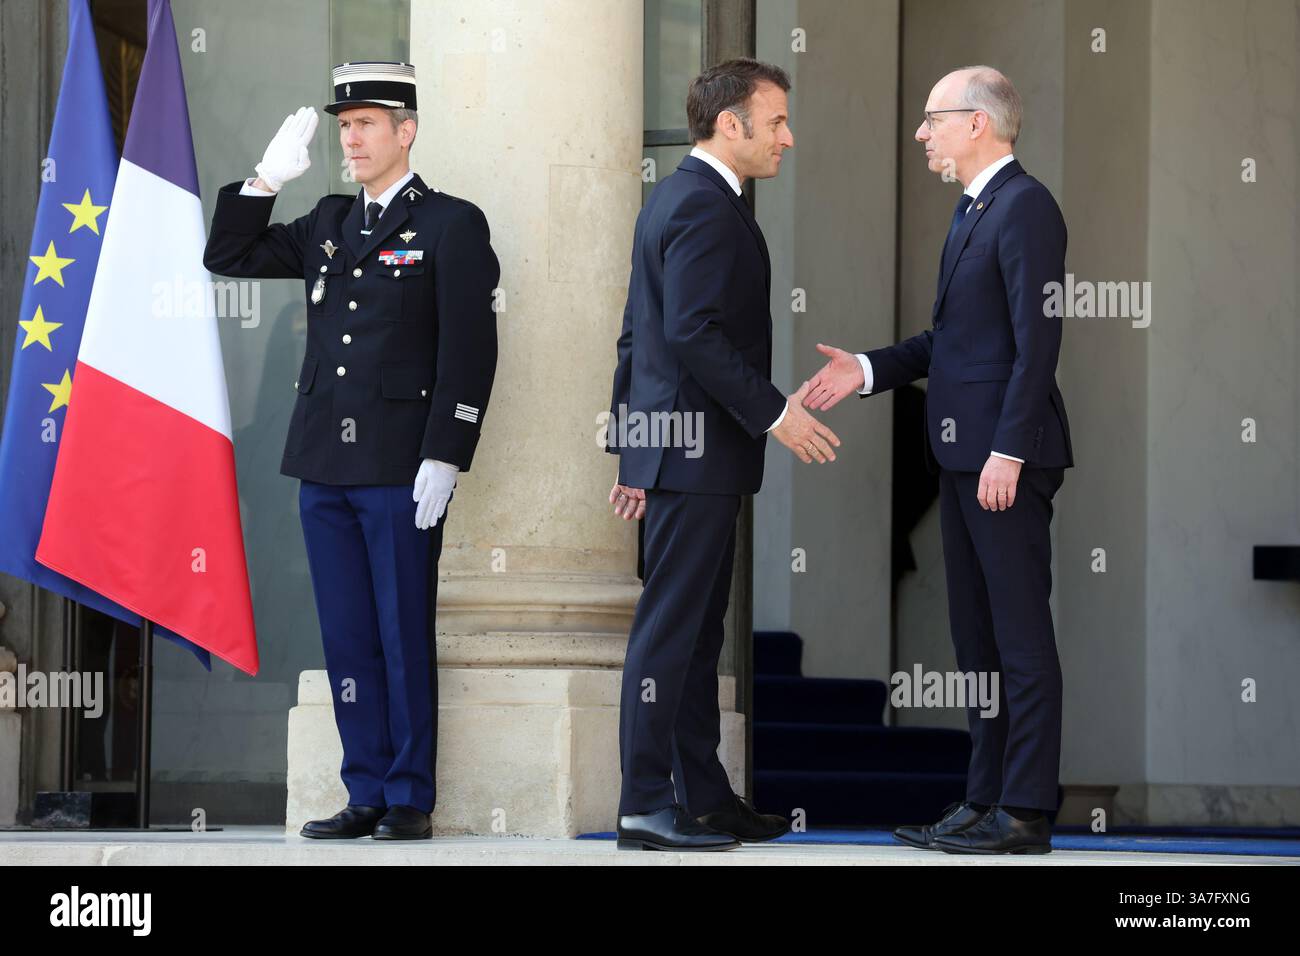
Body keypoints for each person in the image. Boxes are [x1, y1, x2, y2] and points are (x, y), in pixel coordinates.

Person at [203, 62, 499, 840]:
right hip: (324, 467)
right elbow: (227, 257)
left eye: (366, 123)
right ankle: (363, 786)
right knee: (346, 636)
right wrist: (265, 179)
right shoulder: (330, 222)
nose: (351, 138)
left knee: (402, 632)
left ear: (406, 130)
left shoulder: (450, 224)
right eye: (344, 125)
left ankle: (407, 796)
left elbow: (470, 350)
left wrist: (448, 451)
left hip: (401, 467)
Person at [804, 65, 1073, 855]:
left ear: (978, 122)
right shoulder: (971, 212)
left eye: (932, 119)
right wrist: (867, 368)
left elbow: (1037, 346)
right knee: (976, 643)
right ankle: (984, 797)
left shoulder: (1026, 207)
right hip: (964, 457)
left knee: (1019, 639)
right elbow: (952, 345)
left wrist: (1008, 452)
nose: (921, 133)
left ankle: (1024, 811)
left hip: (1002, 460)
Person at [606, 58, 840, 851]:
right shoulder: (704, 207)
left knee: (699, 635)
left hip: (682, 453)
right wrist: (778, 413)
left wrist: (632, 449)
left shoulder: (686, 198)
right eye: (775, 122)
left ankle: (703, 797)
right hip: (695, 454)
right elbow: (686, 334)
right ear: (730, 124)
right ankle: (643, 801)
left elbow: (637, 336)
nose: (788, 137)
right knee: (671, 632)